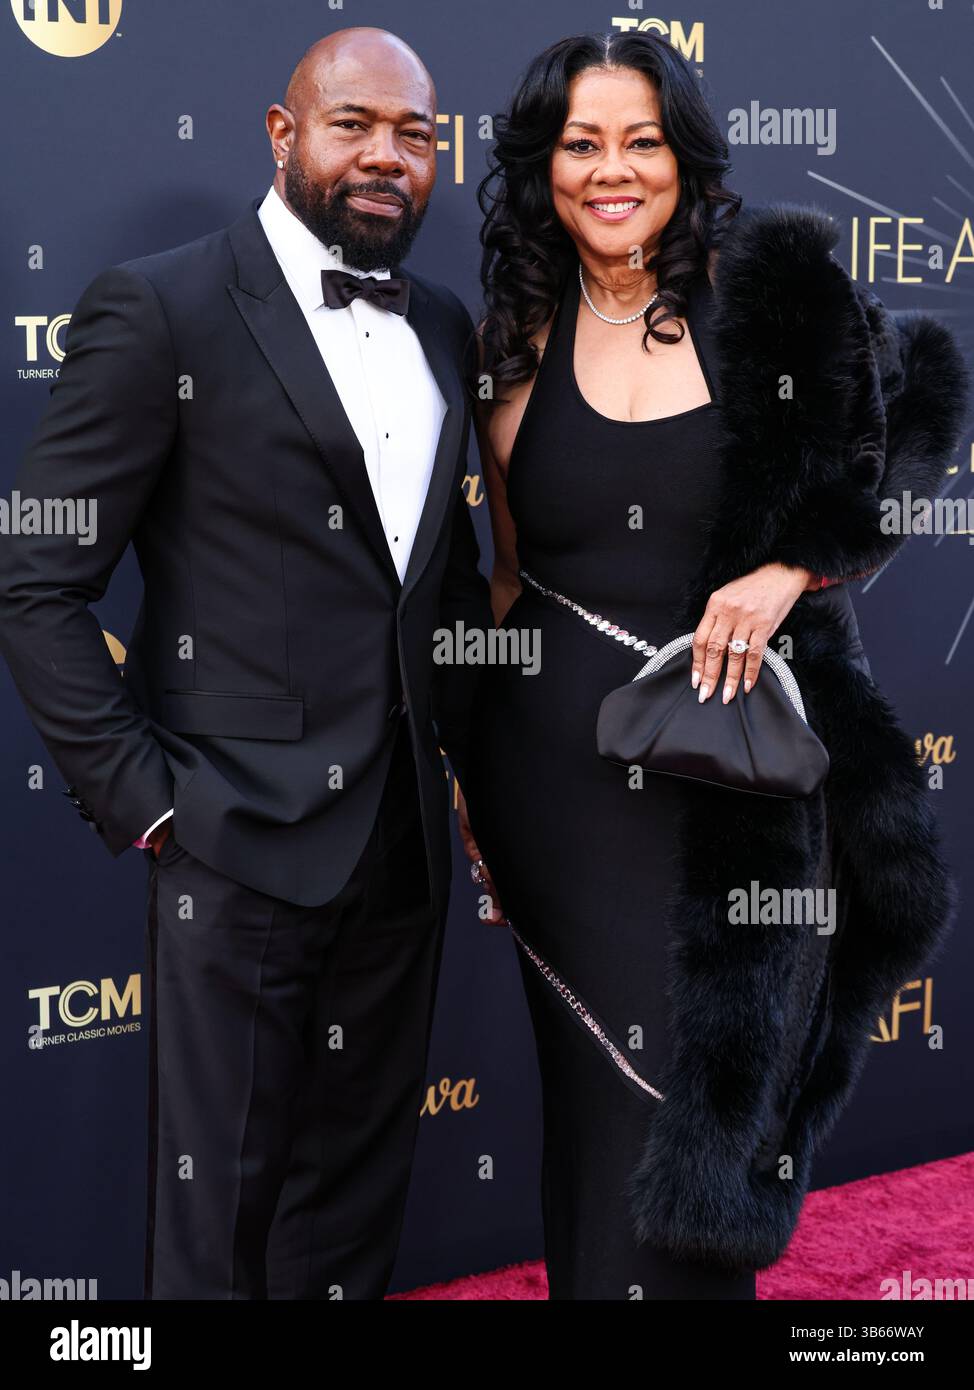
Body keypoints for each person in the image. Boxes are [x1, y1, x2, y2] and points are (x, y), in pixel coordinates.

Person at [460, 30, 969, 1300]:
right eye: (580, 143)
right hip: (555, 782)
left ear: (682, 155)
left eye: (640, 140)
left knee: (703, 1107)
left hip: (736, 770)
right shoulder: (515, 337)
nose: (610, 170)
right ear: (541, 164)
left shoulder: (773, 286)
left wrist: (793, 565)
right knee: (594, 1105)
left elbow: (925, 412)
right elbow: (512, 578)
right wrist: (468, 771)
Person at [0, 27, 491, 1300]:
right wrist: (150, 801)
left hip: (401, 850)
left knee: (350, 1211)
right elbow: (36, 577)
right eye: (353, 124)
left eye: (416, 133)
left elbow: (431, 589)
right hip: (231, 840)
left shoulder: (442, 323)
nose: (387, 155)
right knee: (215, 1223)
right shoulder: (160, 305)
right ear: (283, 137)